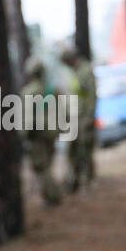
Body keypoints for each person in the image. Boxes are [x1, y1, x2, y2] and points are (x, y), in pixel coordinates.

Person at [21, 55, 63, 206]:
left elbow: (26, 119)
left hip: (37, 135)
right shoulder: (51, 89)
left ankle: (53, 195)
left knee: (41, 167)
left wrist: (23, 136)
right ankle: (50, 195)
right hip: (52, 133)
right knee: (47, 166)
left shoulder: (29, 92)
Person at [61, 45, 96, 191]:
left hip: (83, 118)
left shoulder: (86, 70)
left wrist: (89, 117)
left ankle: (87, 181)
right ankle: (73, 182)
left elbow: (91, 96)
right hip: (72, 119)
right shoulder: (72, 72)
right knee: (72, 152)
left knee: (84, 151)